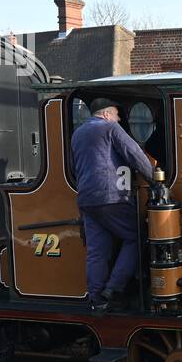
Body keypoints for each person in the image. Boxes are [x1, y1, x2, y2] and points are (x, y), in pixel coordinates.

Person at [71, 98, 155, 311]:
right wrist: (156, 180)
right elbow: (135, 154)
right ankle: (114, 289)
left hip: (87, 199)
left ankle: (96, 296)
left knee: (97, 250)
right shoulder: (110, 127)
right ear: (108, 114)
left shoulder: (78, 133)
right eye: (117, 115)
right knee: (136, 237)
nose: (119, 119)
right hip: (112, 196)